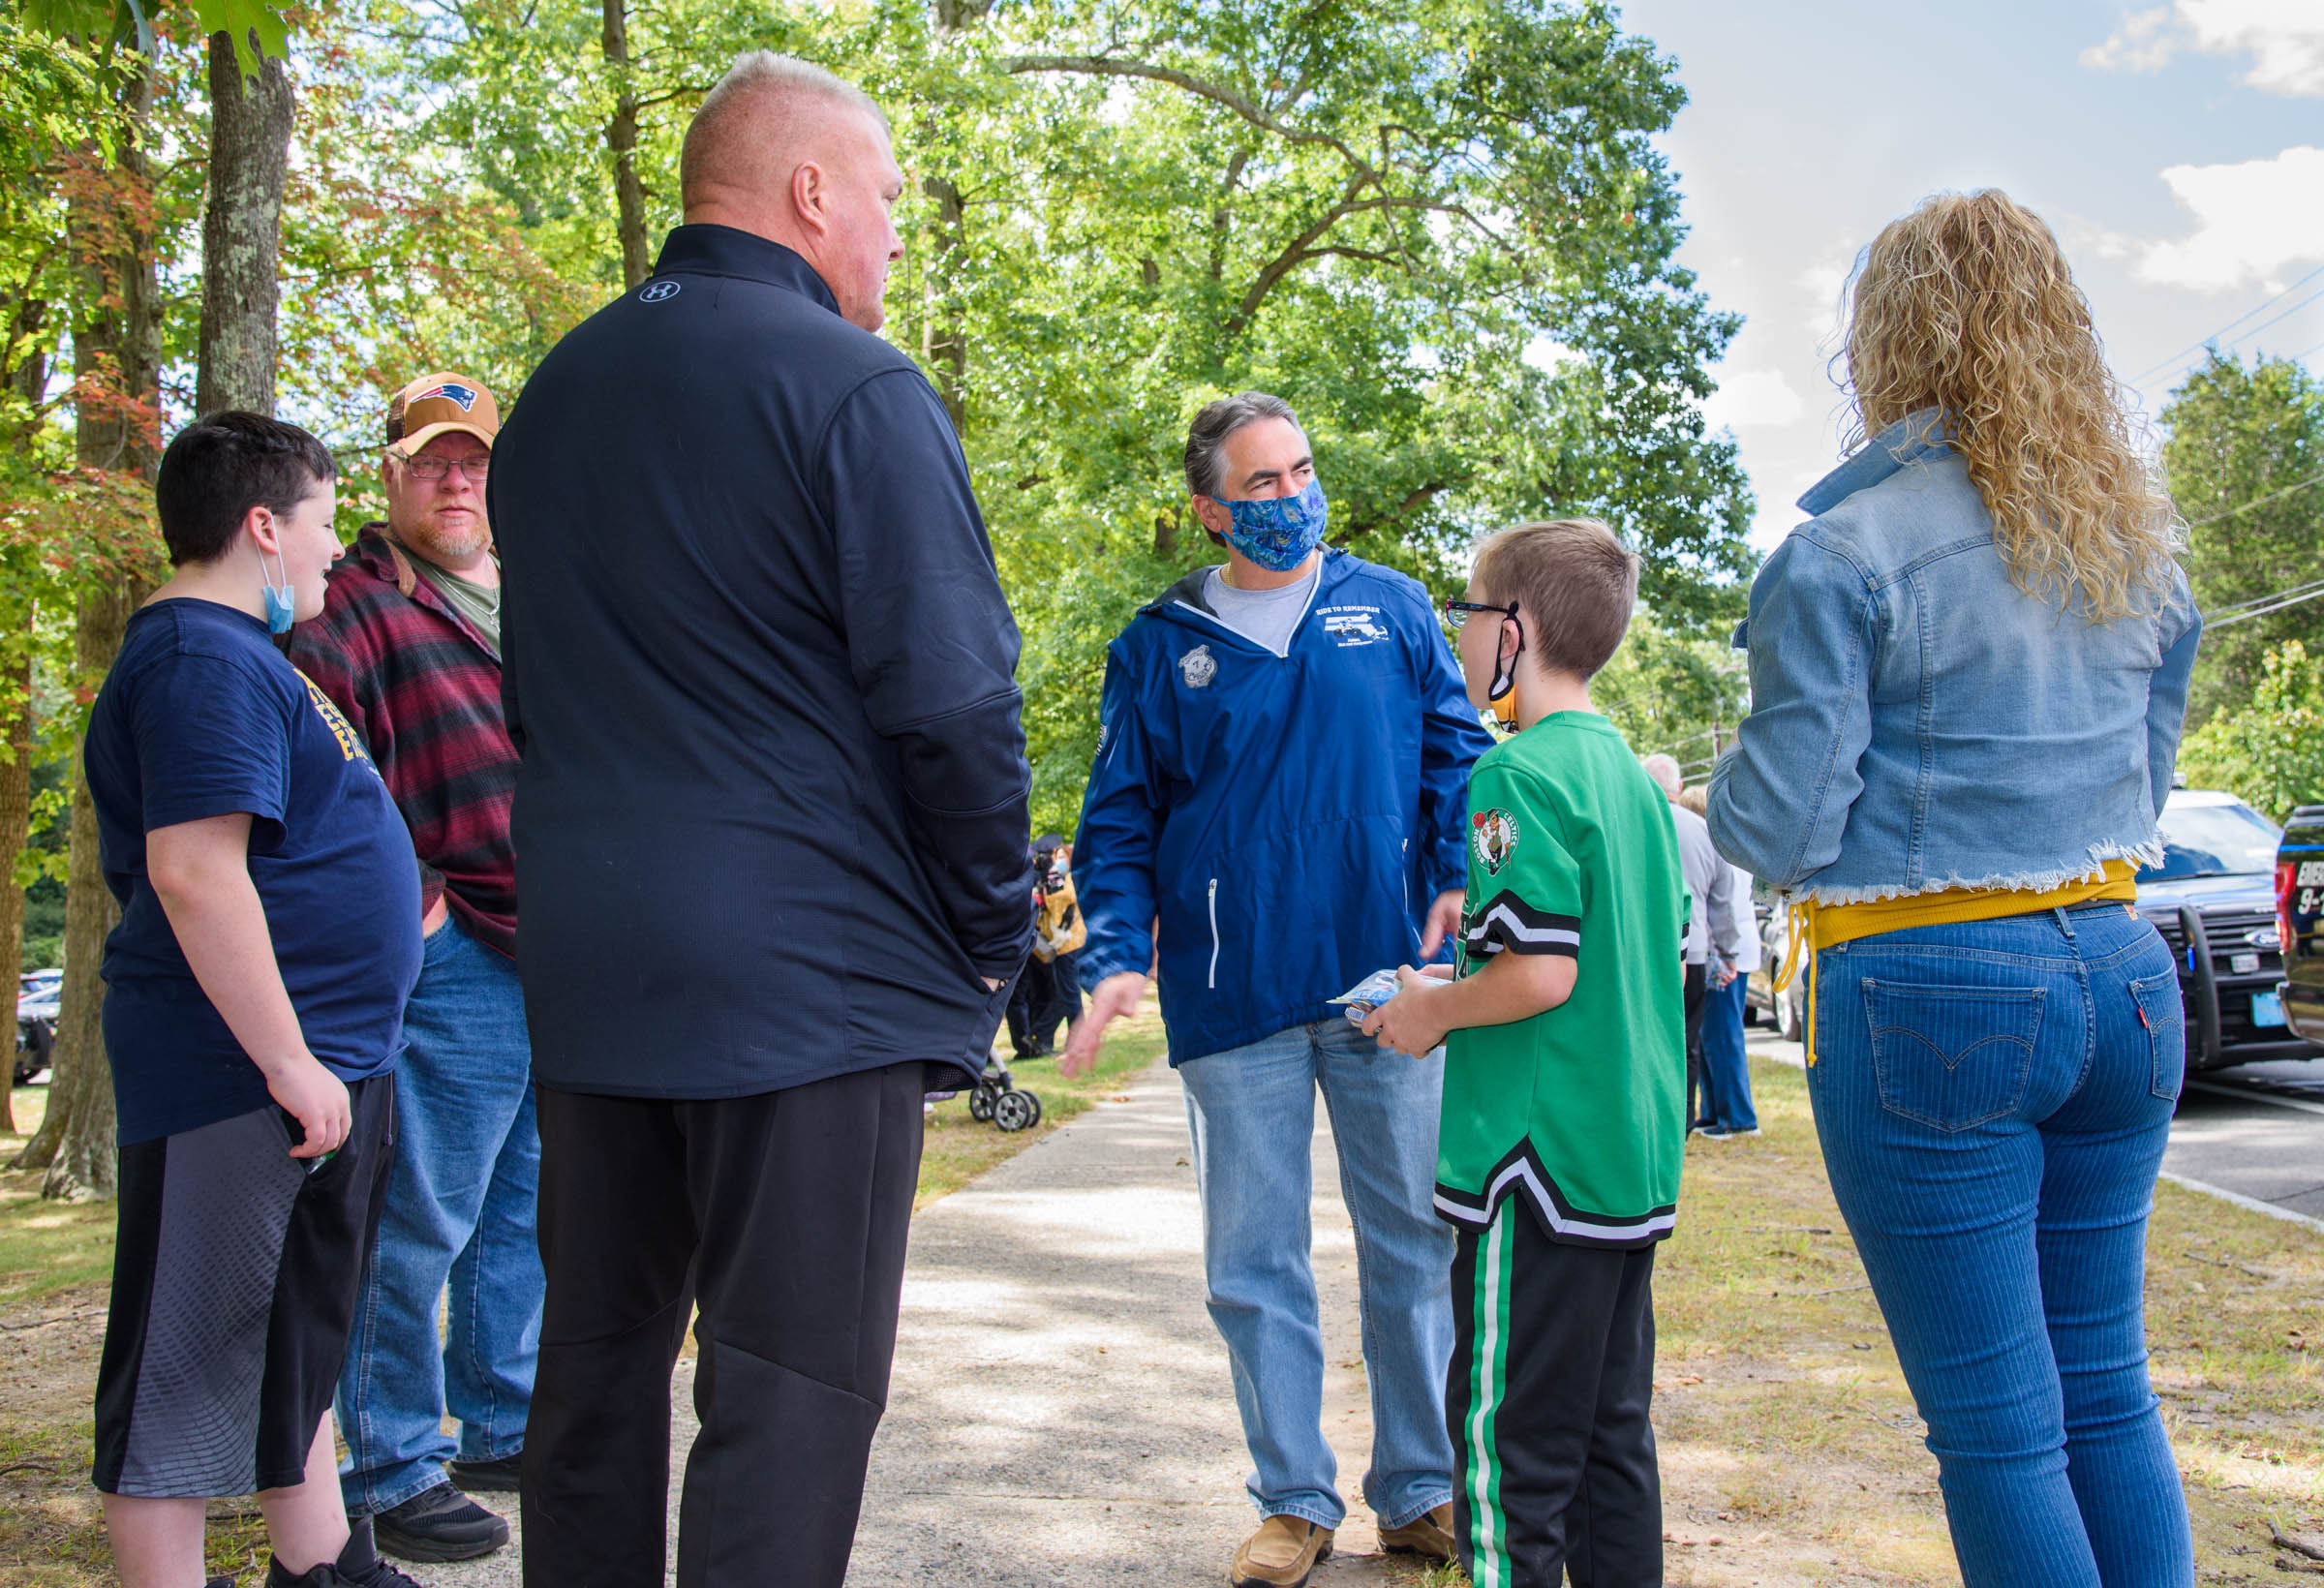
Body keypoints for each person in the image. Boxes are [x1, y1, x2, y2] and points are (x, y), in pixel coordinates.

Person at [486, 51, 1032, 1588]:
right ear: (808, 190)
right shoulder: (853, 386)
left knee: (591, 1375)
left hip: (591, 966)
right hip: (803, 980)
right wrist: (990, 931)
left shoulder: (554, 396)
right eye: (885, 198)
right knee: (787, 1392)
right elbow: (955, 703)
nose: (896, 233)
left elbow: (540, 689)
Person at [1708, 190, 2198, 1588]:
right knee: (2108, 1388)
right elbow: (2145, 787)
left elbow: (1783, 828)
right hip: (2121, 969)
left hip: (1928, 985)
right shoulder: (2130, 548)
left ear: (1886, 339)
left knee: (1998, 1432)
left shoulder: (1844, 551)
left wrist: (1732, 769)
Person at [1065, 390, 1494, 1588]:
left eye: (1301, 469)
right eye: (1261, 482)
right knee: (1253, 1260)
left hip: (1386, 984)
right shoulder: (1158, 646)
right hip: (1232, 992)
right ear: (1211, 510)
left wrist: (1455, 876)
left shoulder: (1389, 605)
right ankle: (1293, 1498)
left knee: (1413, 1240)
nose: (1292, 495)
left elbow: (1457, 755)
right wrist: (1114, 954)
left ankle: (1421, 1489)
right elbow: (1117, 821)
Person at [84, 412, 423, 1588]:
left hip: (318, 1062)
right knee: (184, 1366)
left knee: (294, 1342)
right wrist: (286, 1058)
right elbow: (192, 868)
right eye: (325, 521)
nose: (337, 546)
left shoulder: (244, 656)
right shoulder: (200, 658)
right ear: (264, 525)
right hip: (237, 1072)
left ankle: (322, 1566)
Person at [1364, 518, 1686, 1588]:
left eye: (1466, 613)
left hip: (1533, 1164)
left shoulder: (1515, 775)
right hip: (1625, 1154)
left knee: (1508, 1460)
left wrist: (1431, 1011)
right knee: (1608, 1440)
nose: (1458, 635)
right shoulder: (1634, 782)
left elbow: (1540, 972)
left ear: (1517, 628)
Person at [288, 374, 537, 1563]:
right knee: (416, 1211)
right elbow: (320, 769)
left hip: (551, 942)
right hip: (453, 949)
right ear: (389, 473)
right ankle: (387, 1463)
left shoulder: (526, 595)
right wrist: (418, 908)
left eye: (474, 462)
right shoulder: (352, 605)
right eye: (432, 461)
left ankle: (497, 1416)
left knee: (520, 1208)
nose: (455, 482)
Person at [1641, 753, 1746, 1132]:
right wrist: (1728, 953)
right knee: (1687, 1043)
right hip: (1695, 952)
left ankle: (1647, 1119)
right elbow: (1723, 903)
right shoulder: (1704, 831)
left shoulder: (1636, 825)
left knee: (1643, 1041)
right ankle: (1682, 1123)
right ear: (1680, 787)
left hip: (1643, 954)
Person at [1682, 785, 1760, 1140]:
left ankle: (1738, 1117)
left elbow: (1725, 907)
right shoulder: (1713, 844)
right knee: (1709, 1036)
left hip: (1727, 954)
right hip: (1718, 951)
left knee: (1725, 1035)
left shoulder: (1725, 849)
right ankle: (1713, 1112)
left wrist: (1724, 955)